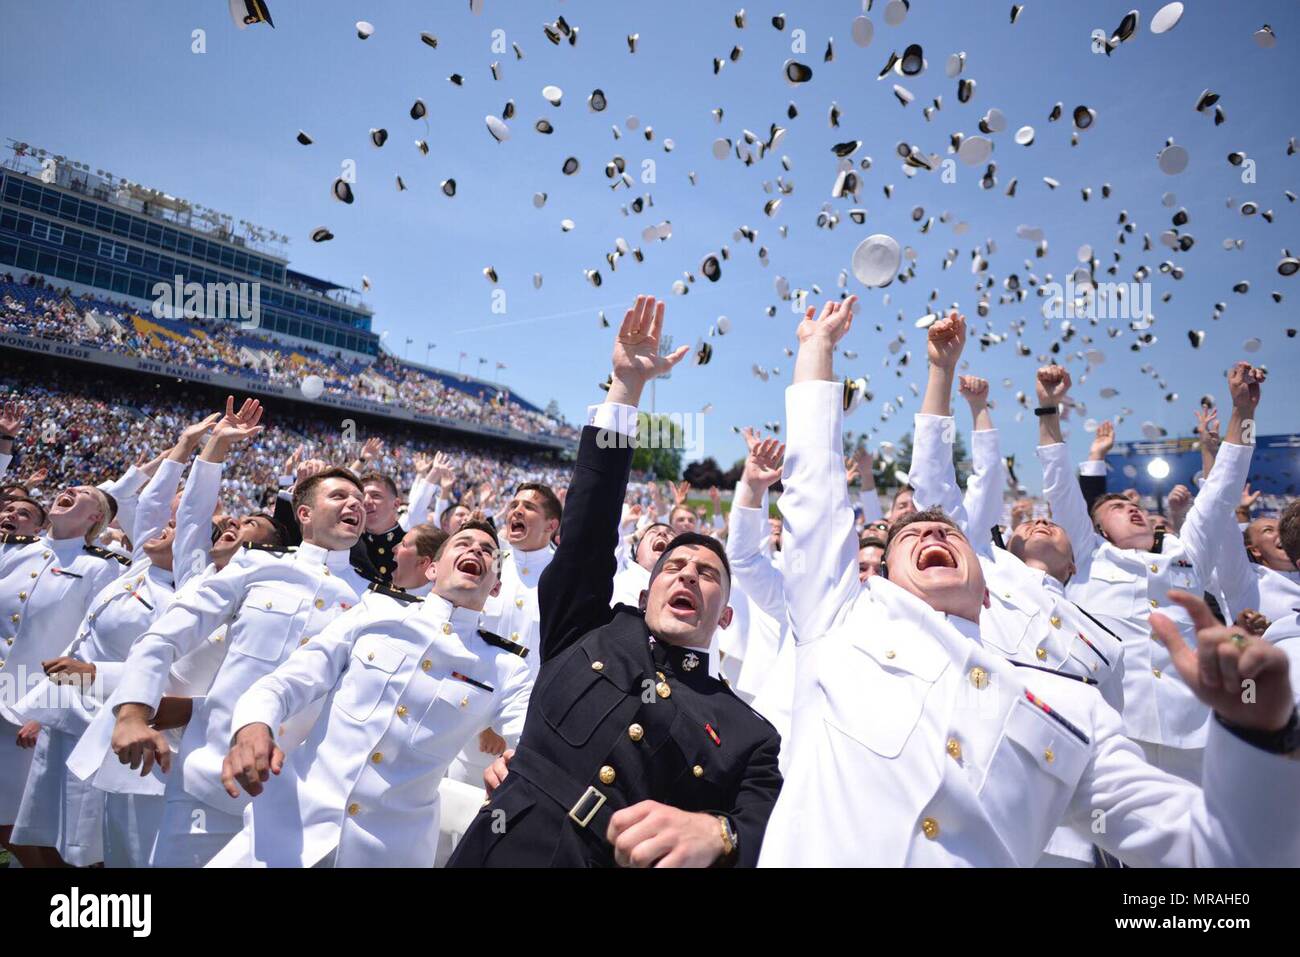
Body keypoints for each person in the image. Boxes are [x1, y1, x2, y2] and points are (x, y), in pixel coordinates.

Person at [758, 295, 1300, 867]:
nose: (931, 535)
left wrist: (1258, 736)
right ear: (880, 580)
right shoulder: (839, 620)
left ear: (988, 590)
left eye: (950, 534)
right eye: (908, 538)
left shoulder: (1072, 709)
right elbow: (815, 492)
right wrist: (816, 352)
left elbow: (1212, 856)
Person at [448, 295, 782, 868]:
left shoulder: (750, 734)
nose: (687, 576)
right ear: (644, 588)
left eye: (707, 575)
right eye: (673, 567)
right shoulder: (585, 629)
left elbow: (774, 830)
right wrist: (625, 391)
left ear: (726, 614)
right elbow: (589, 524)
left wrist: (720, 834)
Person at [76, 467, 370, 867]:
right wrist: (132, 710)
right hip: (208, 783)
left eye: (359, 499)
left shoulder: (372, 602)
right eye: (338, 496)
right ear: (303, 513)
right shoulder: (255, 566)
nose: (354, 503)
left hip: (297, 805)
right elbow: (166, 636)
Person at [212, 520, 531, 867]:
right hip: (289, 829)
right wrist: (254, 725)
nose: (475, 551)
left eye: (488, 551)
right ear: (433, 567)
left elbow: (530, 740)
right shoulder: (376, 611)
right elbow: (290, 680)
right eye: (463, 543)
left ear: (496, 586)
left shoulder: (504, 667)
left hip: (387, 853)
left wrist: (516, 763)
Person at [1035, 360, 1261, 781]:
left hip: (1196, 732)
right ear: (1098, 528)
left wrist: (1242, 414)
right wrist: (1048, 409)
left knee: (1204, 843)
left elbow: (1223, 489)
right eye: (1118, 509)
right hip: (1116, 731)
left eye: (1135, 506)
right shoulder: (1089, 555)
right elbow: (1058, 484)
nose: (1133, 511)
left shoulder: (1187, 550)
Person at [0, 480, 124, 864]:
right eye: (69, 487)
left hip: (25, 709)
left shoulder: (99, 567)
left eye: (84, 492)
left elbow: (85, 643)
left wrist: (44, 711)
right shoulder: (13, 550)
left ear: (94, 518)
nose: (70, 489)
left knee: (23, 825)